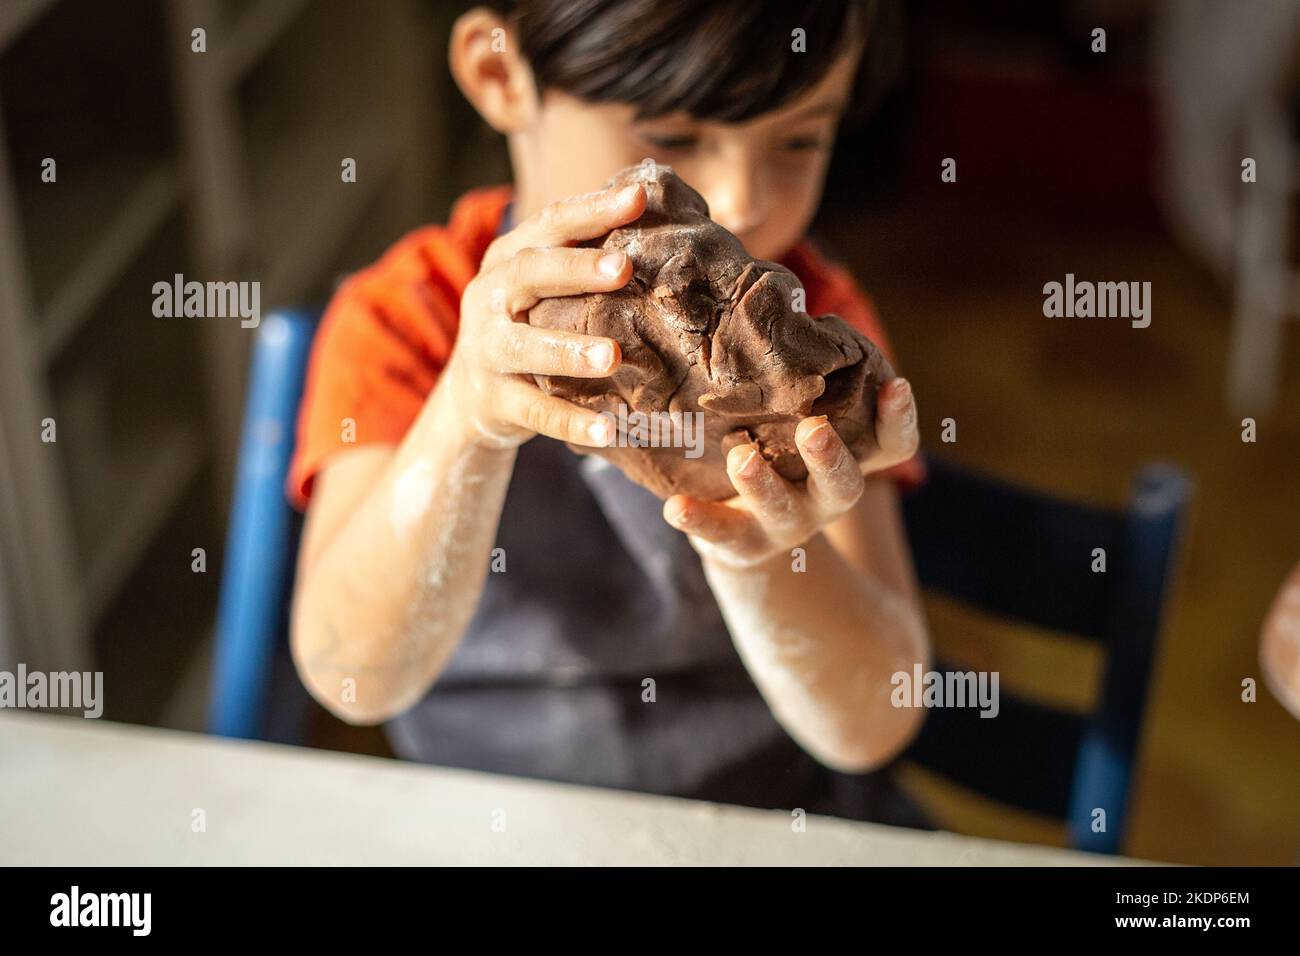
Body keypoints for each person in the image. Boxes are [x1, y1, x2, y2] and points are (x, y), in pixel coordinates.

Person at [288, 0, 931, 823]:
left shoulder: (812, 347)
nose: (737, 201)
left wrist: (759, 552)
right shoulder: (409, 319)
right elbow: (352, 677)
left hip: (760, 821)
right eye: (673, 138)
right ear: (498, 73)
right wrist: (466, 420)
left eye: (800, 141)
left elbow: (877, 721)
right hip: (485, 821)